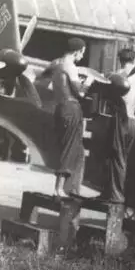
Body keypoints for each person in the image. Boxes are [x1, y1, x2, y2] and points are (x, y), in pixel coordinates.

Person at [96, 48, 135, 204]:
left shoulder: (117, 75)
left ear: (119, 59)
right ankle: (108, 192)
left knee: (116, 157)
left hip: (121, 119)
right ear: (134, 60)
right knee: (118, 157)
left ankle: (116, 196)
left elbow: (105, 91)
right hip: (132, 120)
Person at [51, 37, 92, 199]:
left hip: (60, 107)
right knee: (70, 149)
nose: (82, 56)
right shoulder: (71, 66)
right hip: (72, 108)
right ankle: (59, 189)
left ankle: (60, 187)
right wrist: (89, 80)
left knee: (64, 147)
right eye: (83, 52)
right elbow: (81, 92)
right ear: (78, 51)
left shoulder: (56, 64)